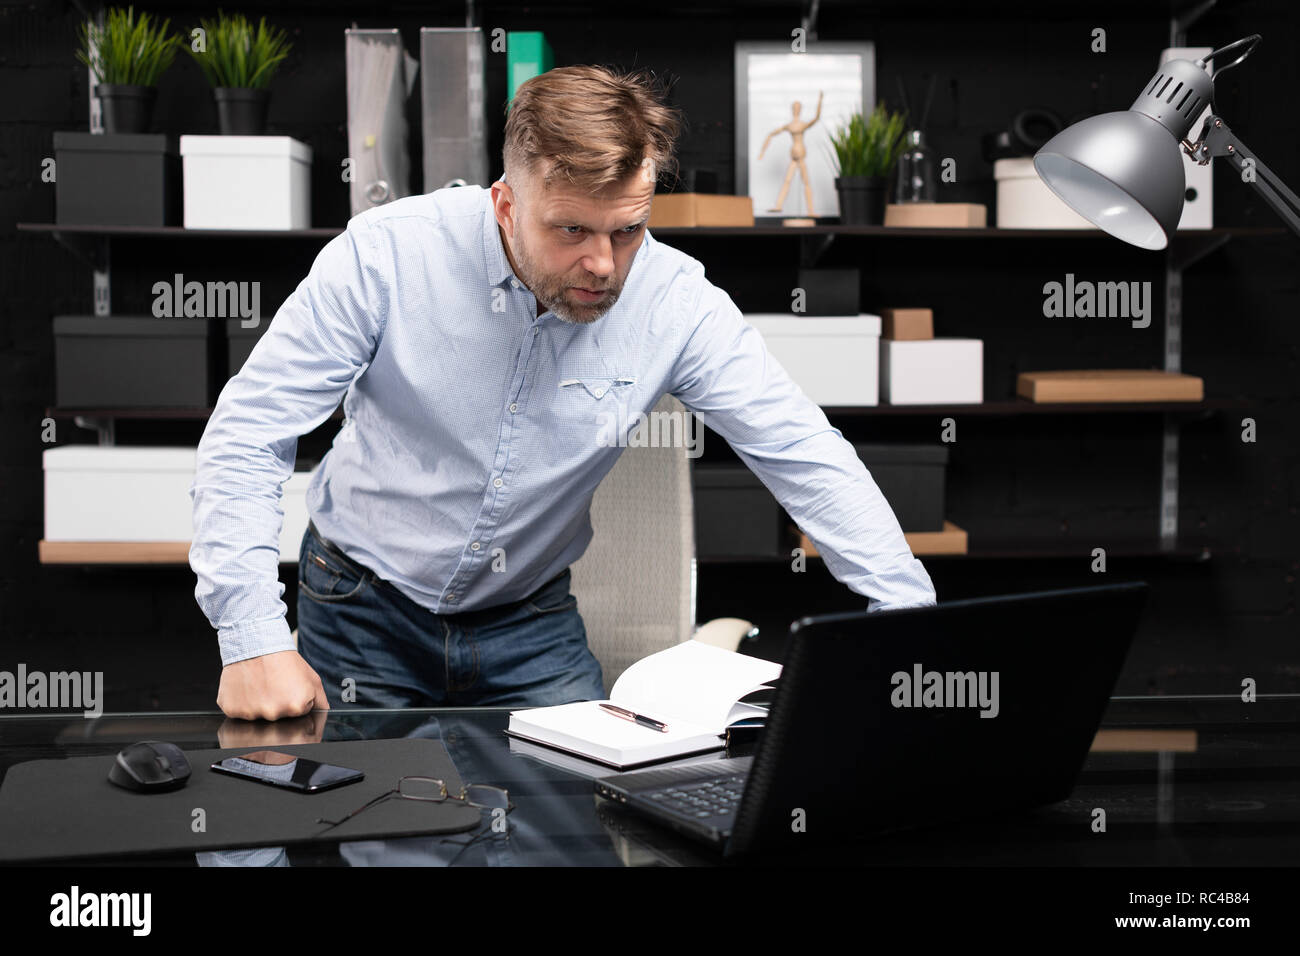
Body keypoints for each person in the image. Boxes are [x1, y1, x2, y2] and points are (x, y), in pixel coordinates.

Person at [190, 65, 936, 721]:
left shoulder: (677, 302)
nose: (604, 264)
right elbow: (251, 430)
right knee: (374, 835)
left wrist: (907, 620)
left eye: (629, 231)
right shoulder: (385, 255)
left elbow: (800, 448)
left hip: (530, 624)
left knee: (582, 827)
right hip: (361, 605)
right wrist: (252, 635)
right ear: (507, 205)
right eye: (572, 228)